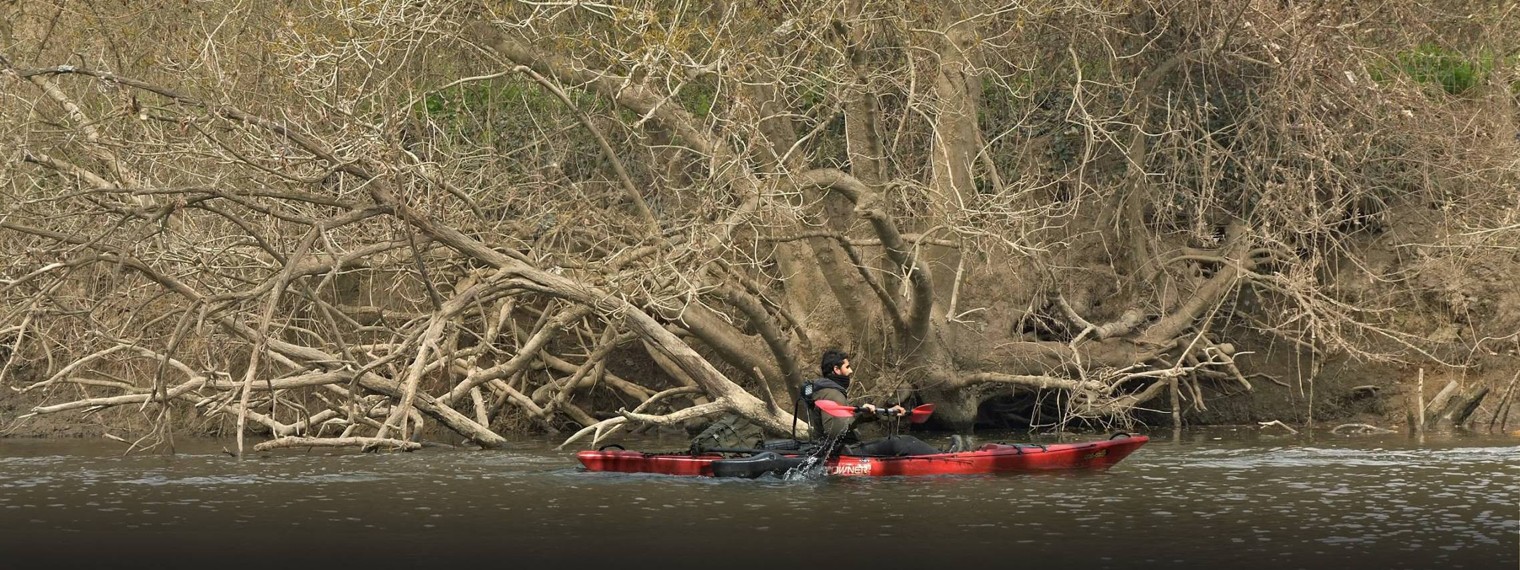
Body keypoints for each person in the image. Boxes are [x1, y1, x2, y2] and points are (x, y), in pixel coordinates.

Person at [801, 349, 940, 456]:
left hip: (839, 449)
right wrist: (861, 415)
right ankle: (943, 455)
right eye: (847, 367)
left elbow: (843, 419)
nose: (851, 371)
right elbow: (837, 431)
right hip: (841, 452)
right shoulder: (832, 393)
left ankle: (938, 452)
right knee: (902, 442)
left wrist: (887, 412)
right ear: (836, 370)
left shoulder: (826, 391)